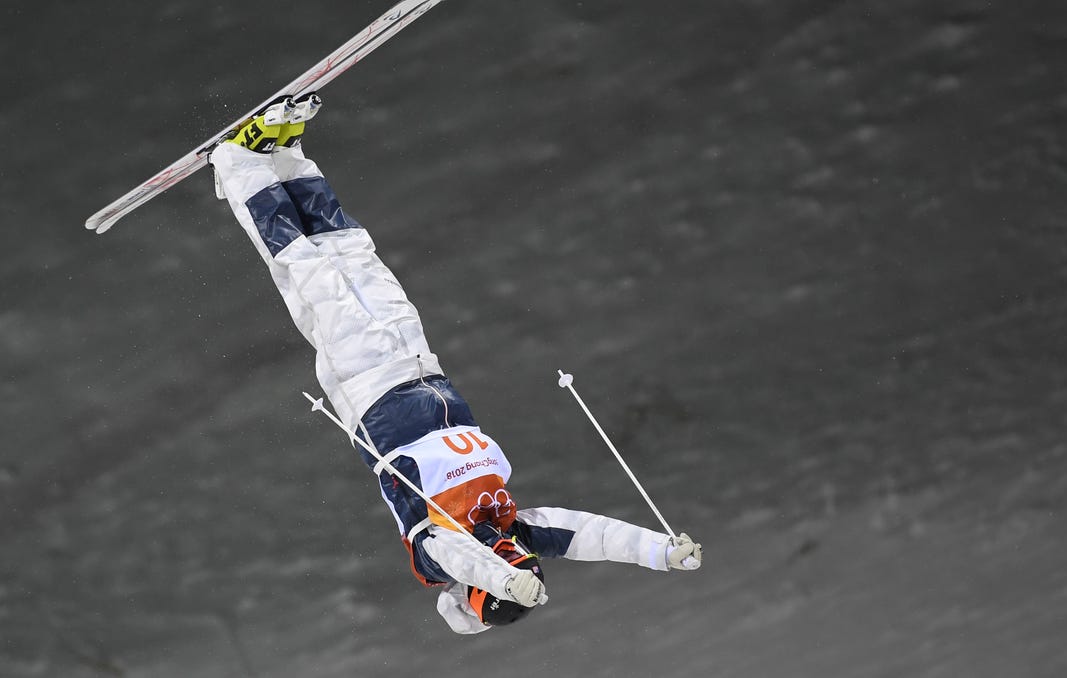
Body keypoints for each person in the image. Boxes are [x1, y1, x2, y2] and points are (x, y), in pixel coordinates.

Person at [208, 95, 702, 634]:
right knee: (356, 257)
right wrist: (661, 552)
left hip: (369, 391)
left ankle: (241, 164)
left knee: (311, 275)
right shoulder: (512, 526)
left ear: (474, 590)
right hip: (423, 370)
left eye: (504, 570)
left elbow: (462, 558)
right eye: (519, 562)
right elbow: (587, 535)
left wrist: (504, 582)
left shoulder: (437, 553)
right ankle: (287, 157)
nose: (515, 554)